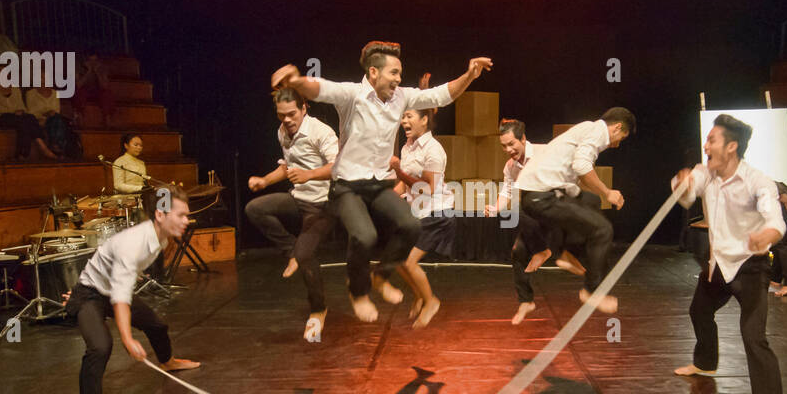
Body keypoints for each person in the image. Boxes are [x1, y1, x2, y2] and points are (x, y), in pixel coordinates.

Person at [271, 42, 493, 327]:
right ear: (373, 72)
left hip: (378, 185)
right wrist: (297, 80)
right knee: (364, 236)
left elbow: (442, 95)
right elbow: (321, 88)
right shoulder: (352, 95)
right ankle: (359, 292)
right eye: (394, 73)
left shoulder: (402, 97)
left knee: (411, 225)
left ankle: (381, 275)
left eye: (401, 73)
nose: (399, 79)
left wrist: (470, 75)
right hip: (347, 186)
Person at [671, 114, 787, 394]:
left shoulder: (757, 181)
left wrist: (767, 235)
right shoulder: (706, 172)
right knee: (699, 310)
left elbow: (775, 220)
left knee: (755, 339)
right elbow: (685, 195)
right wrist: (681, 183)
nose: (706, 146)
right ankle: (706, 363)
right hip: (718, 263)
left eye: (712, 141)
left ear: (732, 146)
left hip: (750, 267)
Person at [65, 184, 202, 394]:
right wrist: (127, 339)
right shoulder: (133, 243)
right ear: (160, 215)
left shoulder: (161, 236)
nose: (187, 220)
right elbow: (121, 299)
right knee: (100, 347)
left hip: (109, 288)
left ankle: (167, 361)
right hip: (90, 294)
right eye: (181, 215)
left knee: (157, 326)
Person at [514, 108, 633, 315]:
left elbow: (574, 178)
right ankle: (592, 290)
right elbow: (581, 166)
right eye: (622, 137)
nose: (618, 144)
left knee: (590, 201)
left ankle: (568, 253)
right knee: (603, 230)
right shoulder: (597, 131)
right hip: (541, 196)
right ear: (618, 127)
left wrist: (592, 196)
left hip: (537, 194)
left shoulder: (585, 130)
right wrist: (607, 192)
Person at [246, 85, 339, 340]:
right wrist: (264, 181)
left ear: (303, 109)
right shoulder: (282, 132)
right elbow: (287, 166)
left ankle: (318, 309)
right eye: (281, 115)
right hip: (298, 199)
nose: (287, 120)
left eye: (291, 114)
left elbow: (338, 167)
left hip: (322, 205)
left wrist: (309, 174)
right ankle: (291, 252)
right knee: (255, 209)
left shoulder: (321, 132)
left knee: (307, 254)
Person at [486, 119, 585, 324]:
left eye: (512, 144)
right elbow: (508, 190)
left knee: (526, 206)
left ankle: (549, 251)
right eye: (504, 146)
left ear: (523, 139)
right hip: (537, 215)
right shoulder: (511, 166)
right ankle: (526, 301)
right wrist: (496, 207)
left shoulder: (544, 152)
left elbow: (573, 168)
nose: (508, 149)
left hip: (558, 203)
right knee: (518, 252)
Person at [390, 106, 453, 323]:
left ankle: (431, 301)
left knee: (409, 262)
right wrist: (387, 198)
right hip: (418, 210)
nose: (403, 121)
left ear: (424, 120)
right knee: (396, 259)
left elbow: (427, 189)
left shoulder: (433, 150)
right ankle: (419, 297)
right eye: (403, 116)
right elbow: (405, 186)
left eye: (409, 116)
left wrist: (399, 172)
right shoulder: (408, 147)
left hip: (436, 211)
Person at [0, 84, 58, 161]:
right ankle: (41, 148)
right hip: (0, 116)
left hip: (16, 116)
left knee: (29, 118)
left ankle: (23, 154)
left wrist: (20, 110)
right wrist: (7, 112)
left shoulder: (15, 89)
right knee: (23, 121)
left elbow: (22, 106)